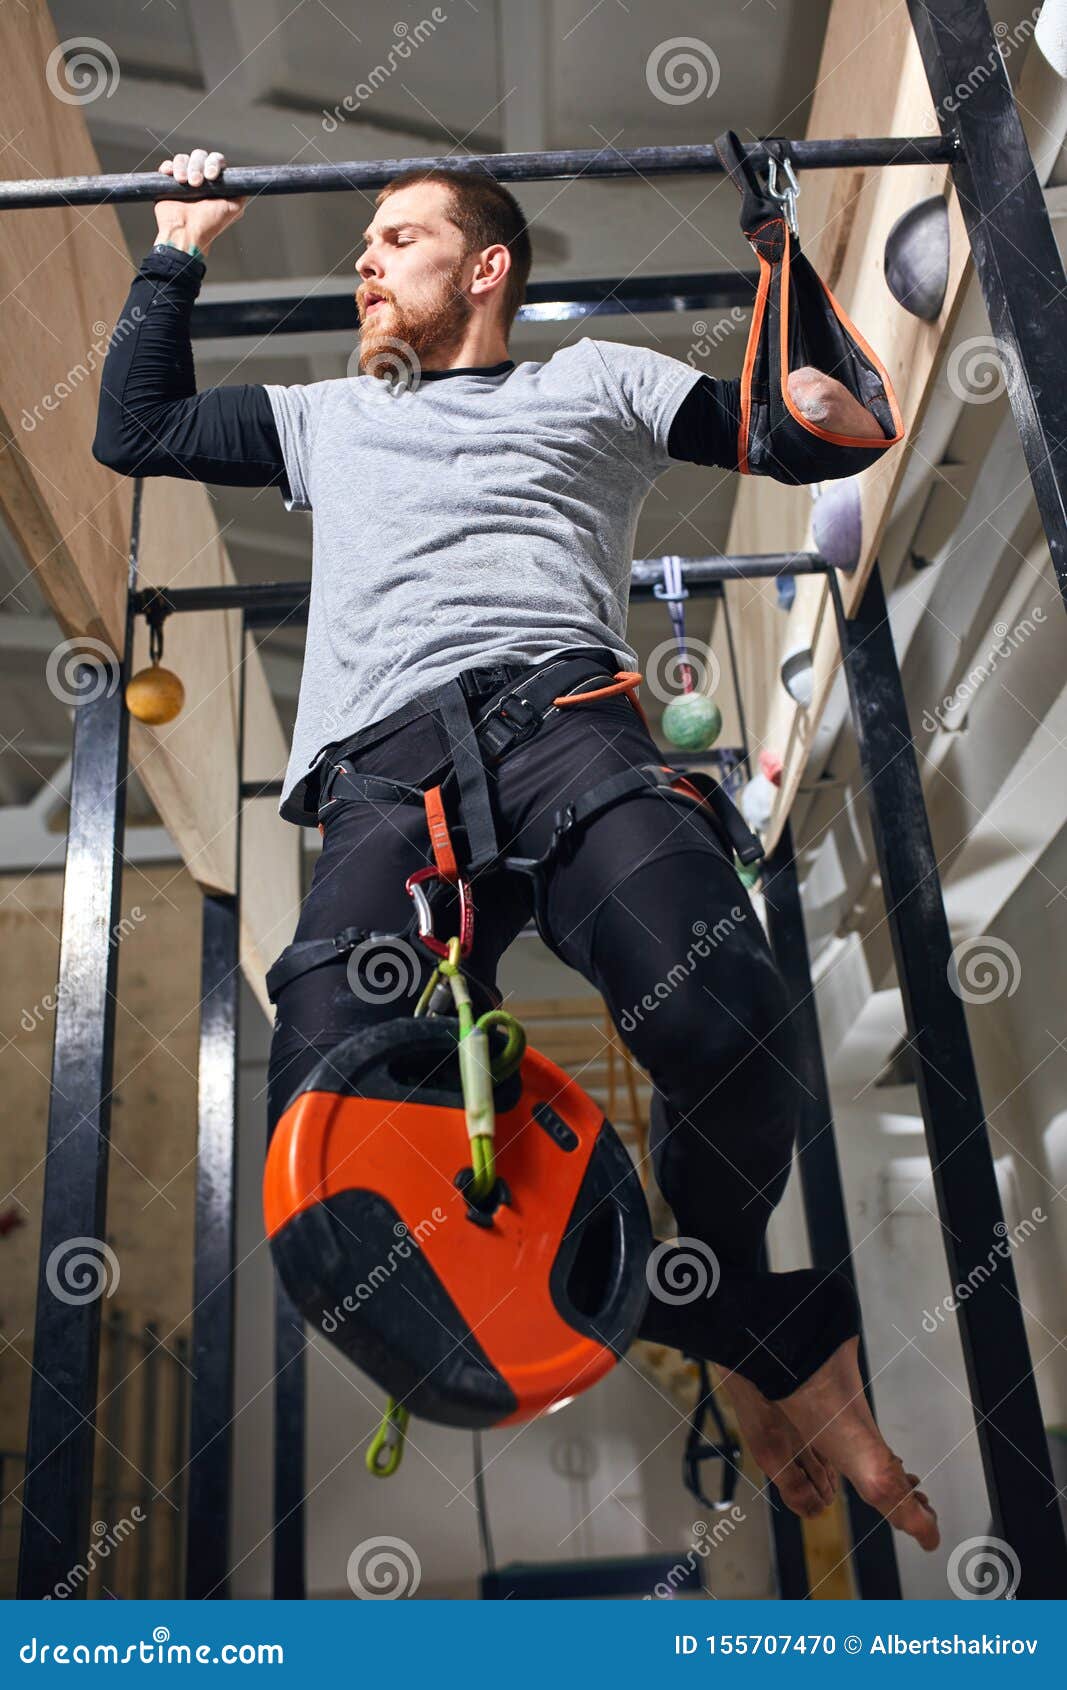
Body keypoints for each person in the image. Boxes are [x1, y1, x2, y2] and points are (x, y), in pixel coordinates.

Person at [92, 146, 936, 1550]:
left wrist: (777, 241)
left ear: (487, 268)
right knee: (319, 1144)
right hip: (382, 778)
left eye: (396, 236)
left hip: (570, 726)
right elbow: (136, 426)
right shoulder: (322, 418)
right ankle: (742, 1322)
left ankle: (725, 1271)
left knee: (728, 1017)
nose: (363, 259)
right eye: (365, 239)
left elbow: (818, 438)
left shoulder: (589, 379)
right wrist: (178, 244)